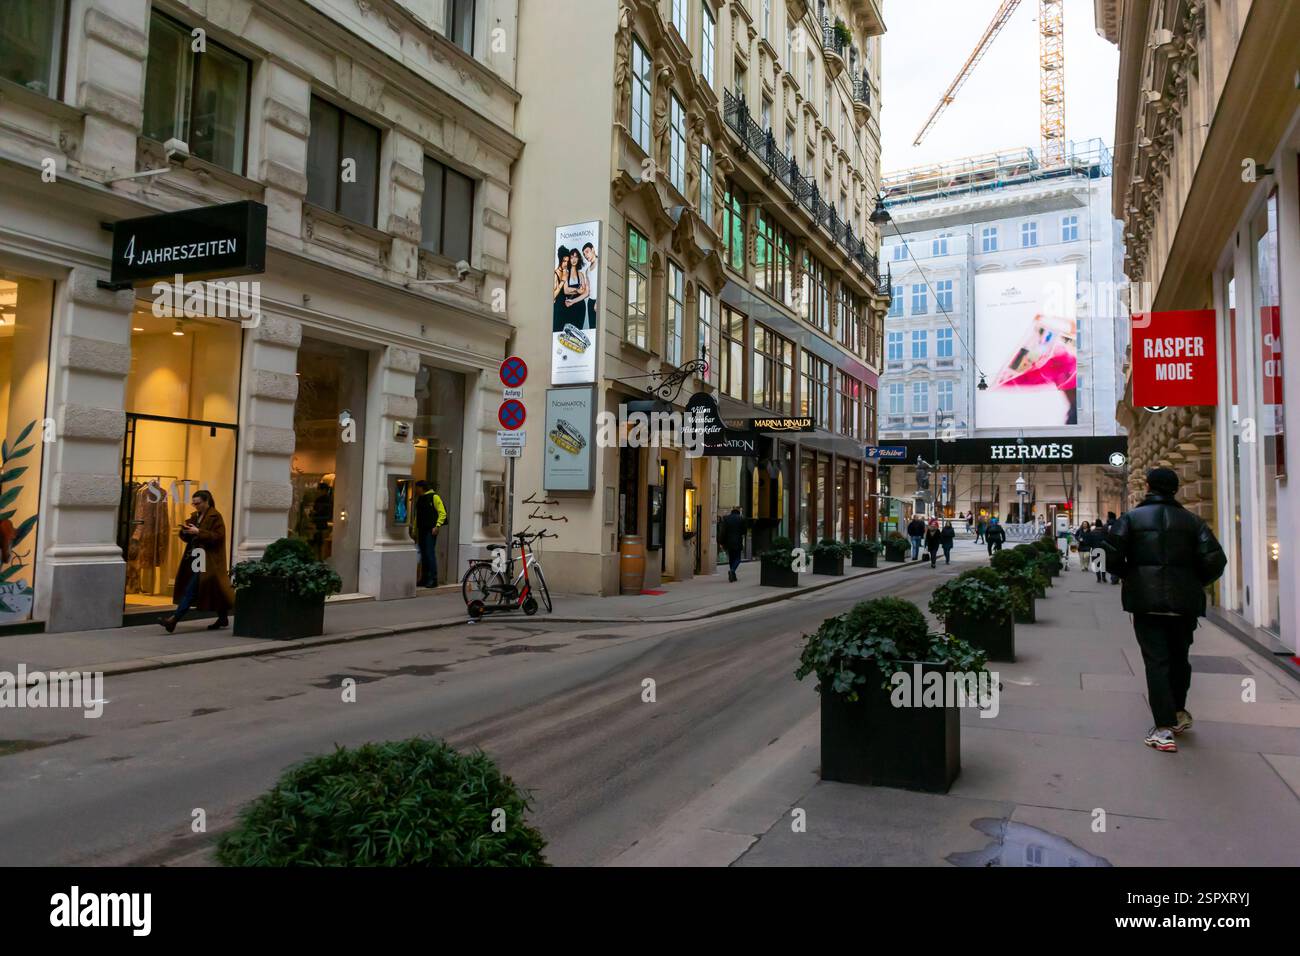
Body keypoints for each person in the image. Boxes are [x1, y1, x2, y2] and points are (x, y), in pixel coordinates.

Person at [1106, 467, 1227, 754]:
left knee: (1156, 662)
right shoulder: (1193, 522)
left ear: (1148, 486)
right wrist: (1194, 582)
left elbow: (1109, 556)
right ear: (1175, 489)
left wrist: (1130, 577)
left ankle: (1163, 728)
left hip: (1146, 604)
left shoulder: (1131, 519)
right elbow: (1216, 561)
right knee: (1179, 659)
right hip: (1183, 604)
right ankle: (1178, 713)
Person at [161, 490, 235, 633]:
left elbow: (218, 537)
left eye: (198, 503)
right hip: (196, 556)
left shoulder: (215, 516)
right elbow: (192, 538)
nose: (195, 506)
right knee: (216, 590)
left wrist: (198, 532)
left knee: (191, 589)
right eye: (193, 503)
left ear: (206, 501)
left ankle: (173, 620)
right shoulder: (196, 516)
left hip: (209, 559)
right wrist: (185, 532)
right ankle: (223, 617)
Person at [414, 480, 447, 588]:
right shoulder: (420, 499)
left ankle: (433, 579)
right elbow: (417, 516)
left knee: (429, 553)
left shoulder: (434, 497)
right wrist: (415, 530)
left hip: (430, 530)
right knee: (423, 554)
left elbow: (442, 512)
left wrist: (437, 525)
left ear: (422, 488)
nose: (416, 490)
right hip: (421, 529)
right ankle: (424, 578)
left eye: (417, 488)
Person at [720, 507, 747, 583]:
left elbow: (723, 531)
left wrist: (721, 542)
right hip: (737, 541)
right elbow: (744, 531)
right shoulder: (741, 519)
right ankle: (732, 571)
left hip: (728, 542)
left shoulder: (726, 518)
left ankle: (733, 575)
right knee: (738, 558)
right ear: (739, 512)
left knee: (731, 558)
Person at [581, 242, 599, 331]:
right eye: (584, 254)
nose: (586, 255)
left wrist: (598, 301)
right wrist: (573, 301)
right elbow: (587, 292)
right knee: (592, 329)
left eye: (587, 252)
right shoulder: (587, 271)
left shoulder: (601, 263)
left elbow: (603, 284)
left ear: (593, 249)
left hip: (599, 301)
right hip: (591, 303)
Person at [1105, 511, 1121, 584]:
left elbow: (1103, 536)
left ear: (1109, 517)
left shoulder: (1106, 525)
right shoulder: (1119, 524)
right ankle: (1116, 577)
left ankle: (1113, 578)